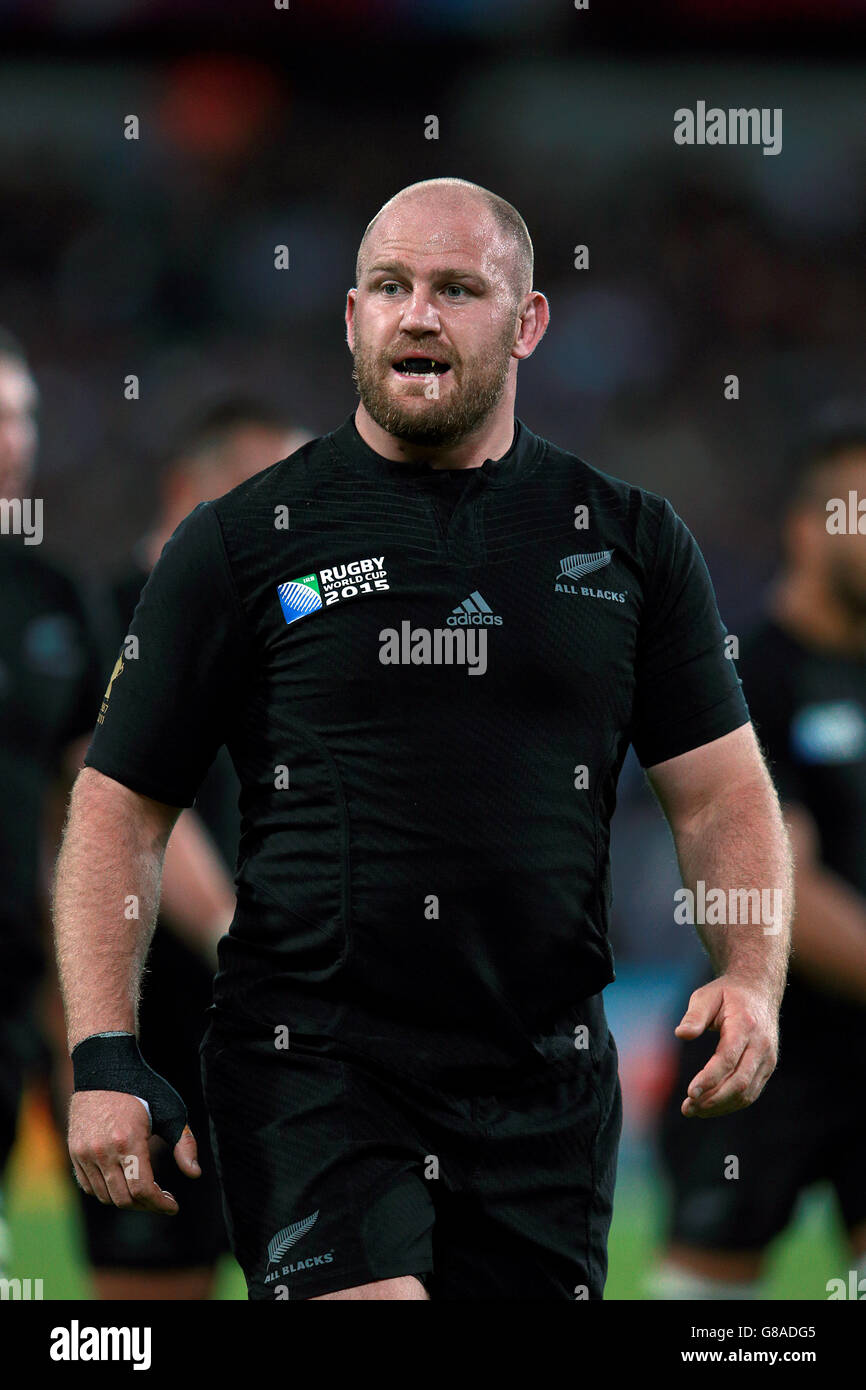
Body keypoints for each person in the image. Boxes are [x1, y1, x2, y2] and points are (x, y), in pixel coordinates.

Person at [54, 177, 792, 1301]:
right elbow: (118, 802)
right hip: (311, 1071)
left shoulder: (631, 539)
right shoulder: (242, 542)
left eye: (457, 288)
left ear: (527, 321)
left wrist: (749, 971)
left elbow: (719, 794)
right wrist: (106, 1049)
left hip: (543, 1083)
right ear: (350, 316)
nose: (417, 315)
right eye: (390, 288)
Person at [73, 399, 311, 1300]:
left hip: (282, 1015)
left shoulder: (287, 623)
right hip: (153, 1012)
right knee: (149, 1300)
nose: (285, 517)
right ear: (187, 486)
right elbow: (115, 817)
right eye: (260, 490)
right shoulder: (102, 620)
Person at [654, 425, 866, 1300]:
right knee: (712, 1308)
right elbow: (790, 893)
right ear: (807, 529)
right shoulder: (746, 673)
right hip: (761, 1039)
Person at [0, 329, 105, 1271]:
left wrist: (73, 1010)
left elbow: (75, 820)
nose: (15, 440)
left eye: (24, 416)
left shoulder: (53, 602)